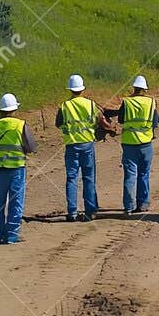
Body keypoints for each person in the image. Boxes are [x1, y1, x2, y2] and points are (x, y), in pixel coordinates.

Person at [0, 93, 35, 244]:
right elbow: (31, 147)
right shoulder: (20, 125)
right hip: (16, 169)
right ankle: (11, 236)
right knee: (16, 202)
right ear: (14, 109)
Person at [105, 75, 159, 215]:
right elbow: (155, 122)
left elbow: (122, 120)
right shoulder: (151, 103)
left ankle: (129, 206)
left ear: (134, 88)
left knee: (130, 175)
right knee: (144, 174)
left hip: (129, 143)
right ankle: (143, 204)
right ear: (145, 89)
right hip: (146, 144)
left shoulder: (127, 102)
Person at [56, 74, 105, 221]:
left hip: (71, 145)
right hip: (87, 145)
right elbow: (97, 121)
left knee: (71, 178)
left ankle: (72, 212)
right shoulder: (90, 104)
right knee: (88, 178)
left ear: (70, 90)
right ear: (82, 89)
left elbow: (58, 124)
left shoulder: (64, 106)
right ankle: (90, 211)